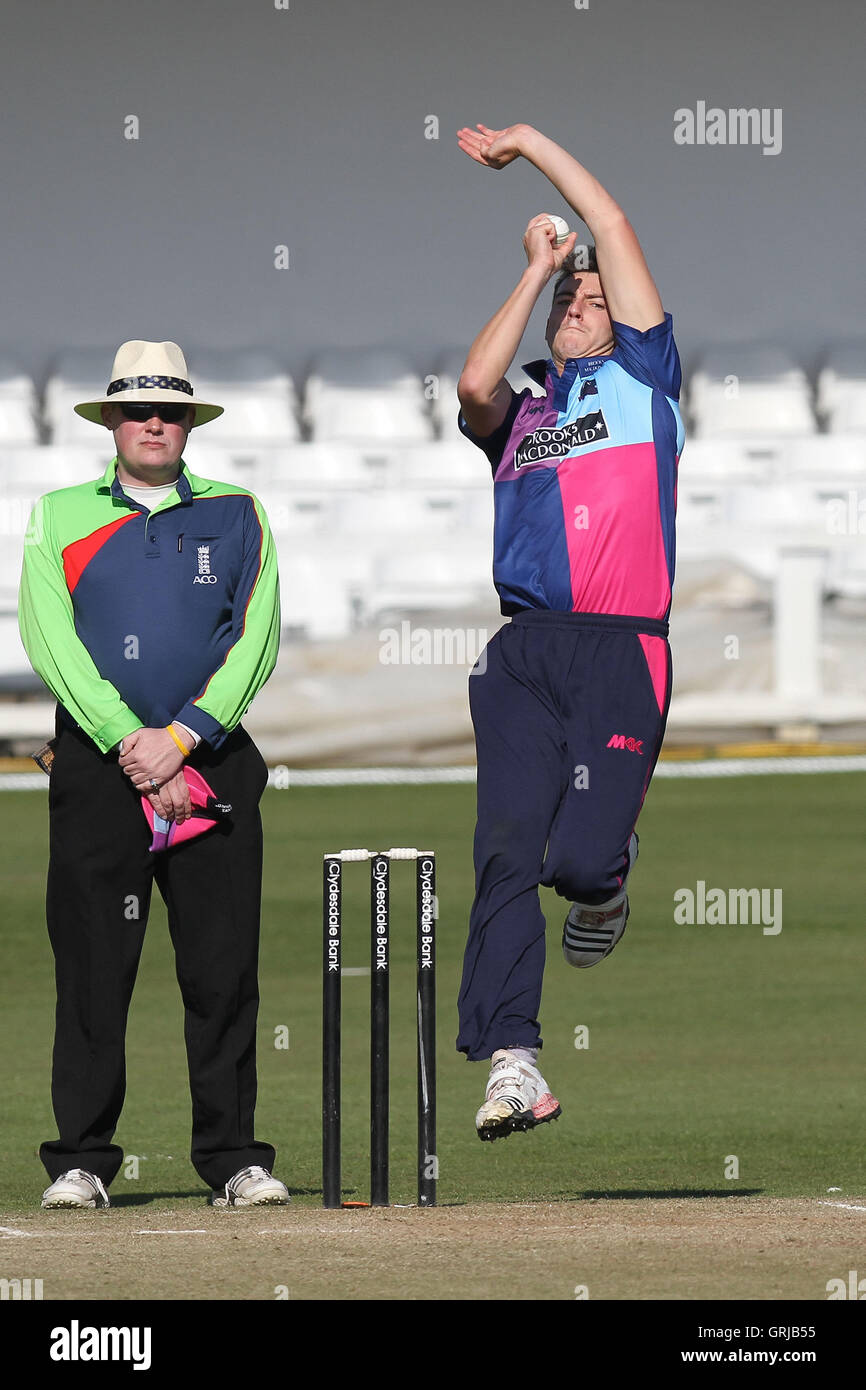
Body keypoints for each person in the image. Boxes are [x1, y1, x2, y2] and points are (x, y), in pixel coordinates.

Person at [18, 339, 289, 1207]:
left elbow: (258, 635)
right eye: (138, 409)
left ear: (188, 422)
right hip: (101, 769)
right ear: (110, 420)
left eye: (169, 410)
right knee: (95, 969)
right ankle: (80, 1164)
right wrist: (132, 740)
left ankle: (233, 1158)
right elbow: (46, 637)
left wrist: (183, 736)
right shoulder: (59, 513)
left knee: (221, 970)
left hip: (213, 763)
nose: (154, 424)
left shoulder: (237, 511)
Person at [454, 124, 684, 1140]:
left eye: (593, 298)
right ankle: (513, 1061)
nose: (579, 308)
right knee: (505, 850)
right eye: (569, 303)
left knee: (577, 866)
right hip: (524, 654)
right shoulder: (525, 414)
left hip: (621, 647)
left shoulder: (644, 378)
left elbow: (611, 220)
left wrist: (528, 141)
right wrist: (537, 270)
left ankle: (611, 867)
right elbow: (471, 388)